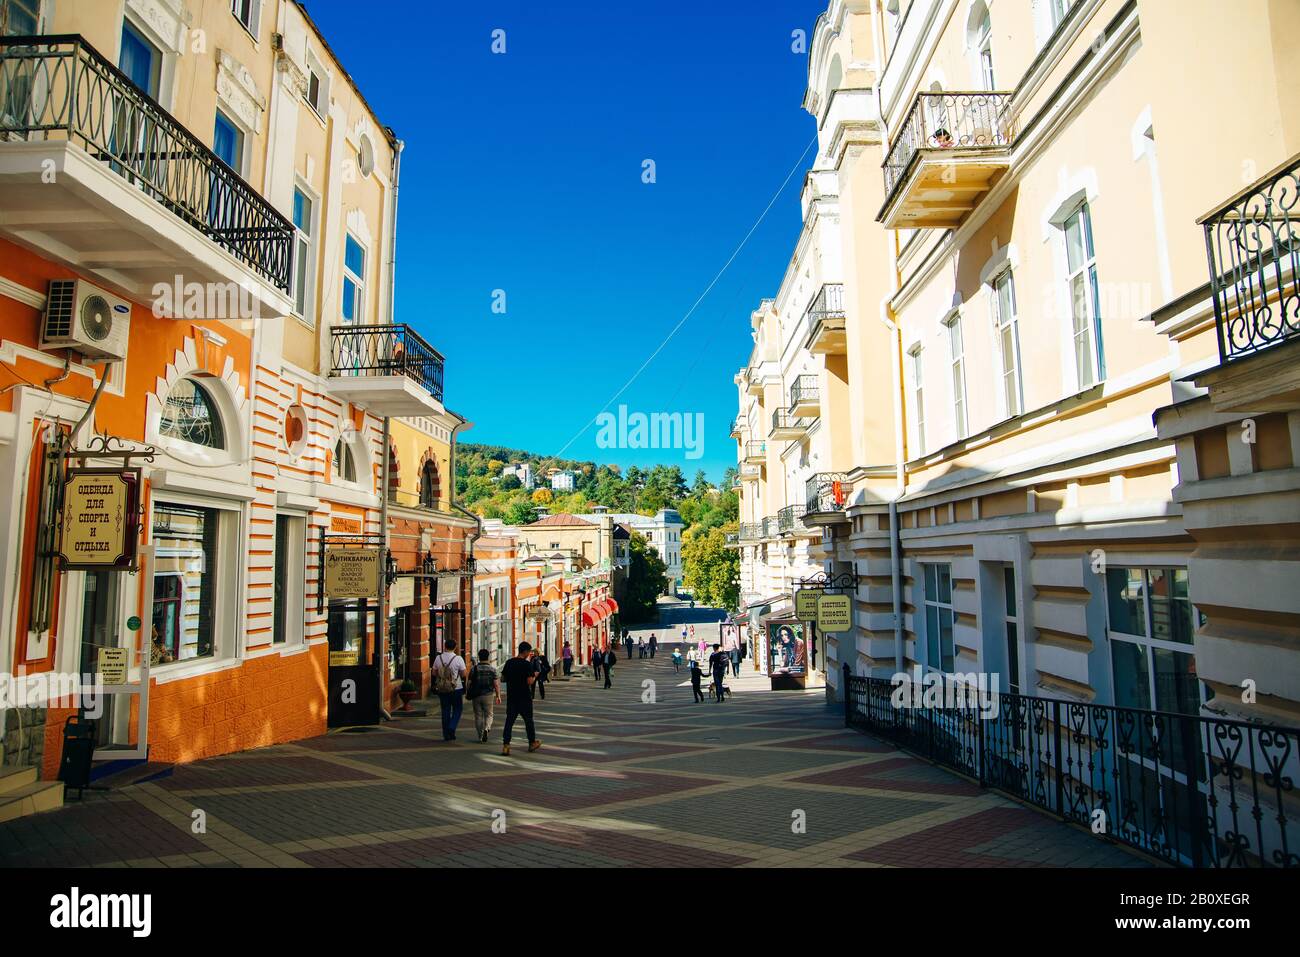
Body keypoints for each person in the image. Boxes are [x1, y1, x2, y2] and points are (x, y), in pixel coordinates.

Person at [500, 641, 542, 755]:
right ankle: (532, 743)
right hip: (524, 697)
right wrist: (535, 676)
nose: (529, 654)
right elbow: (529, 681)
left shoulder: (509, 663)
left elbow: (503, 678)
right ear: (526, 652)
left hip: (512, 697)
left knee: (509, 721)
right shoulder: (526, 664)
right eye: (529, 652)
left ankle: (506, 745)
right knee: (528, 721)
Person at [432, 639, 467, 741]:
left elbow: (433, 673)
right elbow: (464, 674)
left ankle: (446, 734)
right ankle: (452, 727)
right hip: (456, 687)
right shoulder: (458, 658)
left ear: (445, 646)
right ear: (455, 647)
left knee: (445, 710)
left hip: (442, 688)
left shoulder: (438, 658)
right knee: (457, 709)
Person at [466, 648, 501, 743]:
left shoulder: (474, 669)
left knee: (478, 716)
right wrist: (498, 695)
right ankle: (487, 728)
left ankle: (480, 736)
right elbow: (496, 684)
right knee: (489, 714)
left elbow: (469, 683)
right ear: (488, 657)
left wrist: (467, 692)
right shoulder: (492, 670)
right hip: (488, 695)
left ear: (479, 657)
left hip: (476, 695)